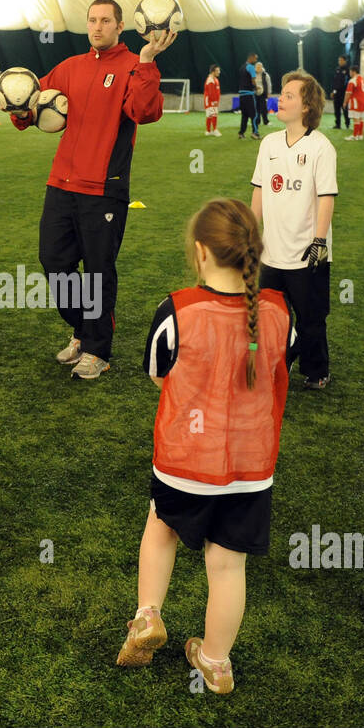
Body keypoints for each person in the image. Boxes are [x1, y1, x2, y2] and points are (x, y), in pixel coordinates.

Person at [115, 198, 290, 695]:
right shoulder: (279, 310)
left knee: (160, 529)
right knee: (228, 563)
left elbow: (157, 374)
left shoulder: (177, 309)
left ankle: (147, 616)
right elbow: (280, 370)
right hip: (251, 467)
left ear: (200, 253)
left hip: (184, 462)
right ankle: (215, 663)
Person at [7, 0, 174, 380]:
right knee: (54, 262)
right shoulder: (70, 66)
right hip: (61, 184)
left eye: (105, 21)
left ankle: (97, 349)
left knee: (98, 271)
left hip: (105, 187)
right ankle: (83, 329)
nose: (97, 27)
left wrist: (148, 61)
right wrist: (19, 109)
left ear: (120, 27)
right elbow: (34, 104)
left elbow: (145, 112)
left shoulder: (135, 65)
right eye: (92, 20)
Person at [251, 72, 337, 390]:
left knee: (311, 317)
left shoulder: (321, 148)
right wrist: (249, 233)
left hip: (306, 252)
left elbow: (325, 196)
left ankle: (317, 371)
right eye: (281, 94)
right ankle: (271, 365)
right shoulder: (269, 143)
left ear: (306, 106)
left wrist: (319, 240)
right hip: (271, 251)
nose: (280, 99)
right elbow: (260, 190)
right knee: (266, 316)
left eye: (289, 95)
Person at [343, 64, 364, 140]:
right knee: (360, 118)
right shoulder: (362, 79)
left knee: (356, 119)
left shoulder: (352, 80)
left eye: (350, 71)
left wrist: (345, 102)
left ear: (353, 72)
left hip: (356, 102)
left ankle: (355, 136)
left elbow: (348, 93)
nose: (349, 73)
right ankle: (360, 135)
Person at [237, 53, 259, 139]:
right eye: (255, 58)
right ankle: (255, 133)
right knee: (254, 115)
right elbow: (253, 80)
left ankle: (241, 133)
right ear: (251, 58)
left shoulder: (242, 67)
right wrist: (256, 87)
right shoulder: (251, 67)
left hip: (241, 94)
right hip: (249, 94)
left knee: (244, 115)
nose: (256, 60)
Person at [330, 56, 350, 130]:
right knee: (336, 110)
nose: (340, 61)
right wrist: (333, 91)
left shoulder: (348, 70)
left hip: (344, 94)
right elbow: (335, 82)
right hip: (336, 93)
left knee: (345, 110)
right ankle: (337, 125)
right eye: (339, 60)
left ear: (345, 61)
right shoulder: (337, 69)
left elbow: (347, 83)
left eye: (341, 60)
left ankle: (347, 124)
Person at [252, 60, 271, 133]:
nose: (258, 68)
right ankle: (257, 121)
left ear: (262, 67)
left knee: (264, 108)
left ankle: (266, 121)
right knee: (256, 108)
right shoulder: (252, 74)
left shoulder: (265, 74)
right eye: (257, 67)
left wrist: (269, 93)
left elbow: (269, 84)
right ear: (255, 67)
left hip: (263, 94)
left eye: (259, 67)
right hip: (255, 93)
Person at [203, 64, 221, 136]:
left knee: (211, 115)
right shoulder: (210, 80)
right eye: (217, 70)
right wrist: (214, 101)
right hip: (210, 101)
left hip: (213, 100)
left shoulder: (215, 79)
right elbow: (211, 92)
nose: (219, 72)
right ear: (213, 72)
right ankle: (214, 130)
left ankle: (208, 131)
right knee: (213, 114)